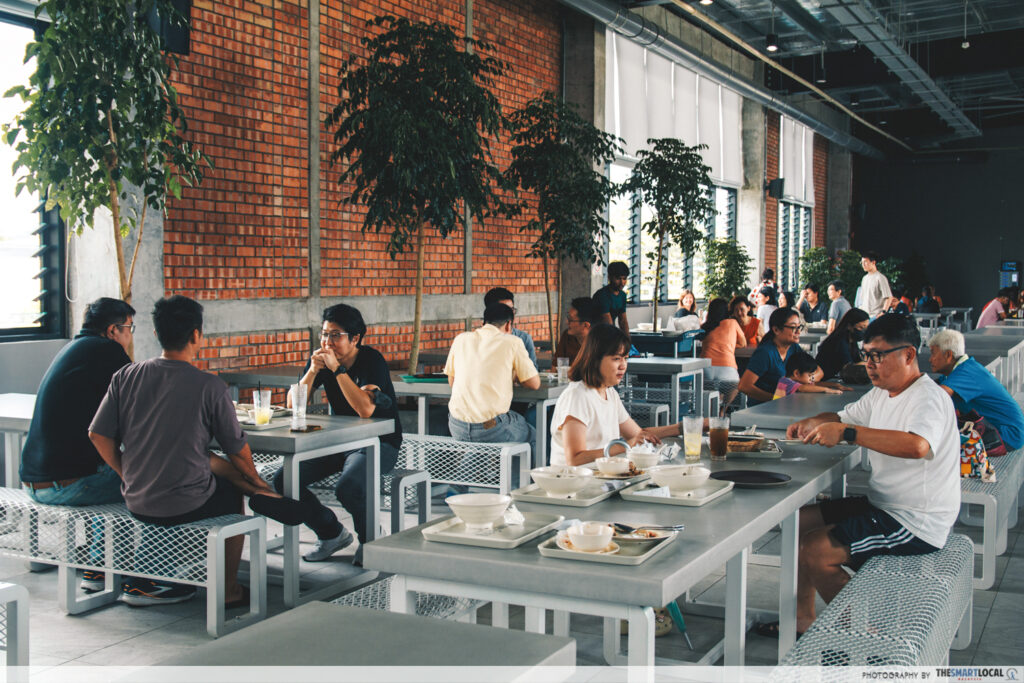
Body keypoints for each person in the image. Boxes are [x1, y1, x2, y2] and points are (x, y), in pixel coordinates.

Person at [89, 295, 313, 607]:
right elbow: (238, 450)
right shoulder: (209, 386)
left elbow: (97, 435)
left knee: (211, 466)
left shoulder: (126, 376)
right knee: (230, 492)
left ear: (156, 334)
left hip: (136, 498)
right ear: (196, 335)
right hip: (182, 502)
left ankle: (258, 495)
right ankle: (228, 589)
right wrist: (256, 482)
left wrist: (127, 473)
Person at [775, 314, 960, 637]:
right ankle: (802, 620)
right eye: (866, 355)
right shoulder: (882, 392)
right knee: (797, 522)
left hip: (916, 520)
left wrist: (847, 434)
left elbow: (917, 445)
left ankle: (867, 638)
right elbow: (844, 415)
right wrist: (815, 420)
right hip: (885, 504)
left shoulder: (928, 398)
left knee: (817, 550)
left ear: (908, 355)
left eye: (878, 355)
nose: (870, 364)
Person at [20, 297, 135, 593]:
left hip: (34, 483)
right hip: (67, 486)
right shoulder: (109, 352)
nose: (130, 336)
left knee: (108, 468)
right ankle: (106, 570)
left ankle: (100, 562)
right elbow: (139, 410)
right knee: (145, 481)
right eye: (130, 328)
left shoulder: (71, 349)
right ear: (113, 330)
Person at [273, 303, 402, 564]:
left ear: (355, 338)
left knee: (349, 487)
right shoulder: (324, 363)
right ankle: (331, 533)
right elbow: (292, 405)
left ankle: (370, 539)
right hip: (338, 442)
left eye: (335, 335)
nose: (327, 341)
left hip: (378, 443)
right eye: (324, 334)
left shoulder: (370, 360)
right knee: (285, 480)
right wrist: (312, 370)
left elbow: (365, 409)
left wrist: (338, 371)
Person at [550, 324, 685, 467]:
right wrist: (626, 445)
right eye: (616, 358)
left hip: (602, 477)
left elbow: (639, 434)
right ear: (595, 358)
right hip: (572, 483)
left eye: (625, 358)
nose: (623, 365)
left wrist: (685, 428)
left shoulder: (609, 393)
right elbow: (575, 459)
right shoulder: (577, 396)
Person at [446, 303, 540, 449]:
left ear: (483, 322)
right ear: (509, 325)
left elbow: (452, 382)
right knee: (534, 436)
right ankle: (520, 473)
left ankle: (475, 472)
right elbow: (534, 384)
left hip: (457, 425)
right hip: (491, 428)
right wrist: (514, 375)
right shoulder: (513, 342)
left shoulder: (461, 339)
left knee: (479, 448)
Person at [928, 329, 1024, 451]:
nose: (930, 359)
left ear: (948, 355)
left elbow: (938, 397)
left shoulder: (967, 372)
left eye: (933, 353)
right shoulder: (959, 370)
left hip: (1007, 435)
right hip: (1001, 429)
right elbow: (931, 387)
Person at [738, 308, 803, 406]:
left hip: (783, 406)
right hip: (762, 410)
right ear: (776, 330)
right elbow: (744, 386)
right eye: (793, 327)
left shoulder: (793, 348)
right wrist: (775, 399)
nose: (798, 332)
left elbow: (815, 369)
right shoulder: (765, 353)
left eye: (799, 327)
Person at [700, 298, 747, 413]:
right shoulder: (732, 323)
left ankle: (711, 413)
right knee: (736, 386)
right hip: (727, 368)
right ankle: (723, 409)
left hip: (705, 368)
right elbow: (743, 343)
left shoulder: (705, 326)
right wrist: (729, 345)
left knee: (709, 394)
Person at [484, 287, 537, 367]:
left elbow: (533, 370)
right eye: (505, 310)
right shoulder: (477, 342)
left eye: (511, 309)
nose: (510, 315)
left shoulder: (524, 339)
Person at [815, 308, 870, 381]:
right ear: (849, 326)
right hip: (825, 380)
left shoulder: (851, 341)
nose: (864, 331)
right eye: (861, 327)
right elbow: (849, 368)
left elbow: (857, 361)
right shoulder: (839, 341)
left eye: (866, 328)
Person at [774, 352, 842, 399]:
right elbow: (802, 388)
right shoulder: (785, 381)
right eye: (809, 375)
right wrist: (826, 390)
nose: (811, 379)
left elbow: (814, 384)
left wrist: (834, 385)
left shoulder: (798, 382)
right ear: (796, 373)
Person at [554, 297, 598, 364]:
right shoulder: (567, 336)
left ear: (586, 325)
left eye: (570, 320)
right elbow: (555, 368)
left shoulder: (601, 343)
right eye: (568, 318)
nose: (567, 322)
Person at [593, 261, 630, 334]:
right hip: (596, 334)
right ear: (609, 278)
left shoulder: (622, 295)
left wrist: (628, 341)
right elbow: (608, 322)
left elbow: (623, 321)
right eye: (618, 279)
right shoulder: (602, 295)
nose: (622, 282)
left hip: (609, 332)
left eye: (624, 279)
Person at [855, 251, 892, 319]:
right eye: (862, 262)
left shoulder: (880, 278)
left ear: (873, 262)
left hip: (876, 316)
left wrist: (883, 312)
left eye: (865, 262)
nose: (863, 264)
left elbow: (889, 297)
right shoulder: (864, 278)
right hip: (865, 316)